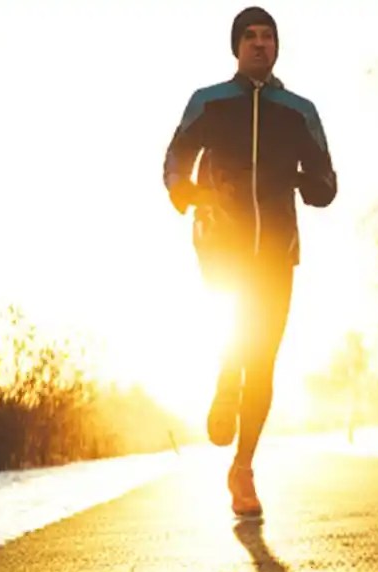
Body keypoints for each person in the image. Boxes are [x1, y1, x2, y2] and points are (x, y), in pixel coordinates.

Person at [162, 6, 337, 517]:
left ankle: (243, 469)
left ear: (277, 47)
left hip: (278, 250)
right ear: (236, 47)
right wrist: (187, 192)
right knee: (238, 333)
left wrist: (313, 185)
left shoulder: (298, 110)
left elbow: (326, 176)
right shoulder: (209, 102)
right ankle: (223, 380)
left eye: (268, 37)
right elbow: (175, 156)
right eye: (250, 37)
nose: (260, 44)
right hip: (220, 241)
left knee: (261, 363)